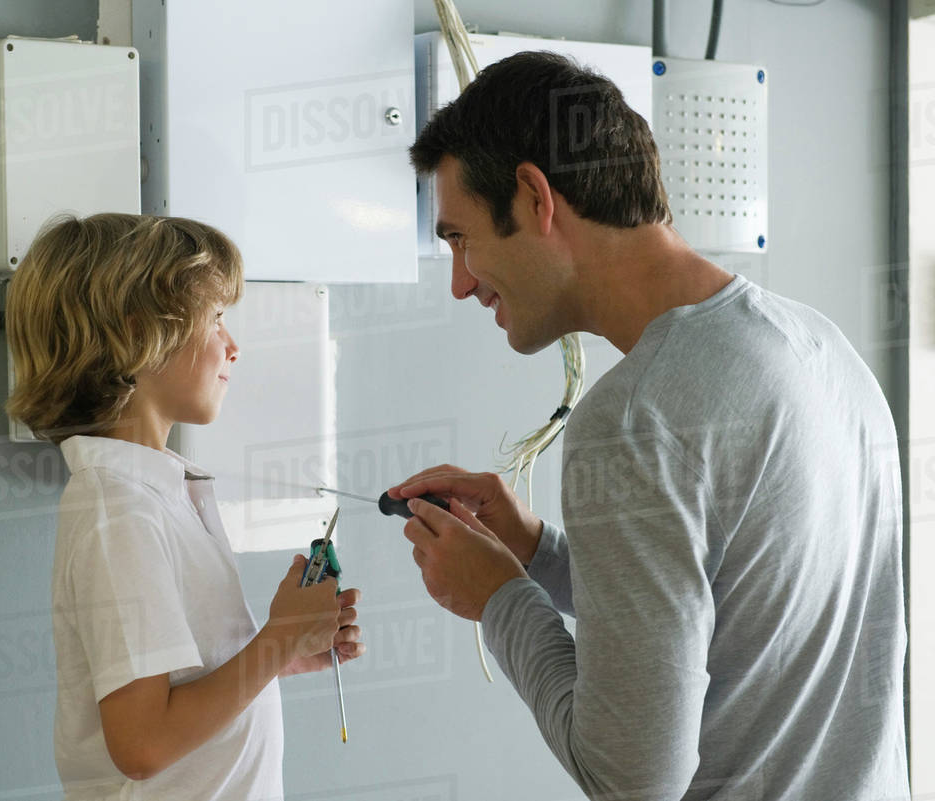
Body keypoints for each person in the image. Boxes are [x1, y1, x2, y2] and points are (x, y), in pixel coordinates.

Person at [389, 51, 909, 800]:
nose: (461, 281)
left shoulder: (636, 419)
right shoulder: (821, 348)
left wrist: (500, 598)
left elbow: (632, 780)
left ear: (535, 197)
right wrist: (533, 550)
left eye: (460, 238)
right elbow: (732, 607)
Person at [4, 213, 365, 801]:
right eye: (217, 318)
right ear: (140, 334)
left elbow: (181, 689)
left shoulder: (159, 492)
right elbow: (143, 743)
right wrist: (275, 639)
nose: (233, 345)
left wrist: (286, 651)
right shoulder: (118, 511)